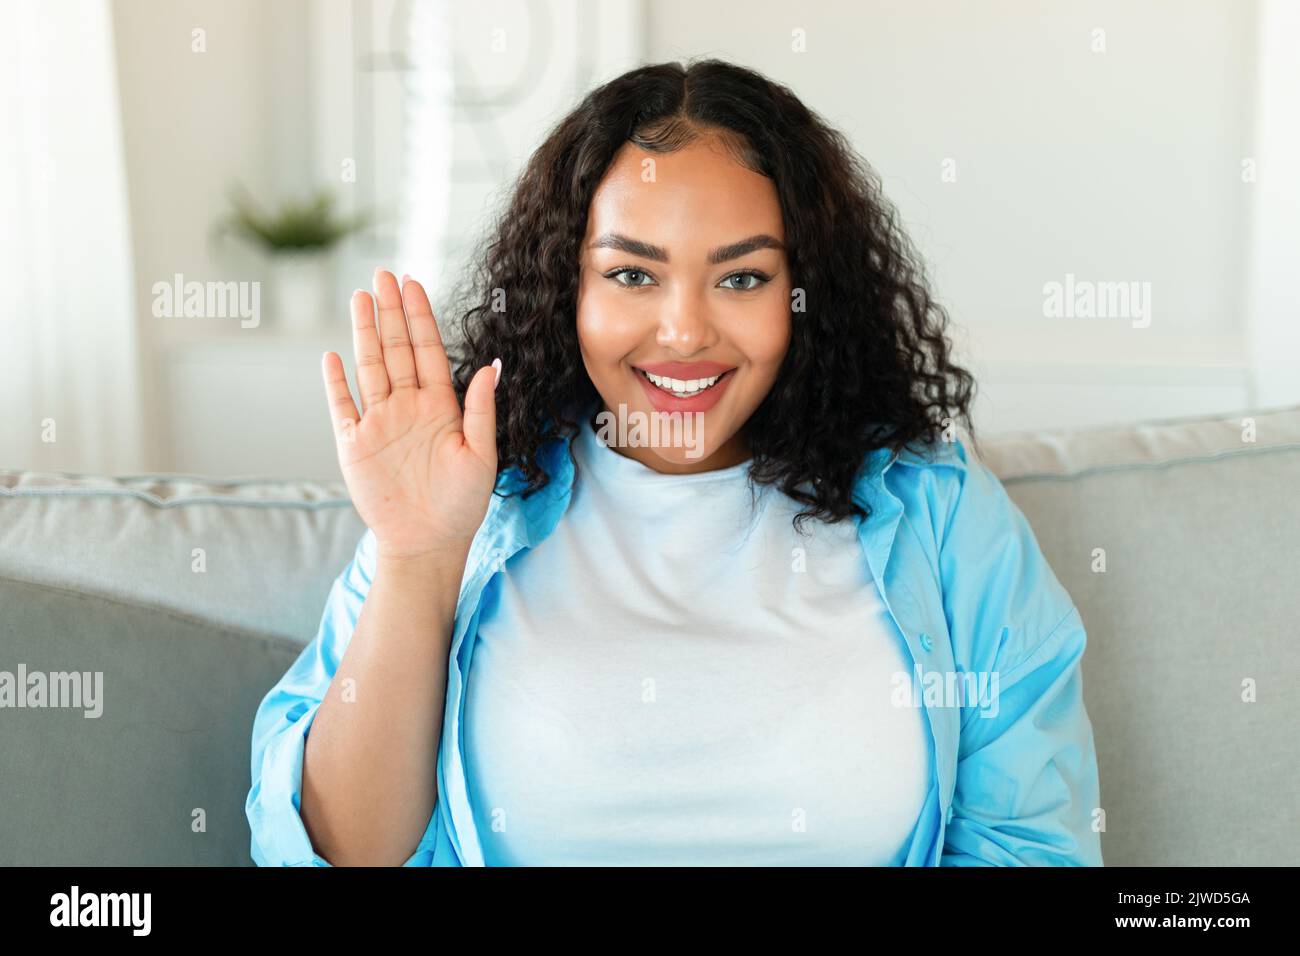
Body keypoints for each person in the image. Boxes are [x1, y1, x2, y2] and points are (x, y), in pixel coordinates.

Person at [246, 58, 1102, 866]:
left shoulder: (943, 512)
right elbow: (338, 852)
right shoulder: (470, 500)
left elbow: (1033, 845)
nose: (686, 332)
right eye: (630, 276)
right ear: (563, 289)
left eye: (742, 280)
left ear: (808, 297)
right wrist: (418, 557)